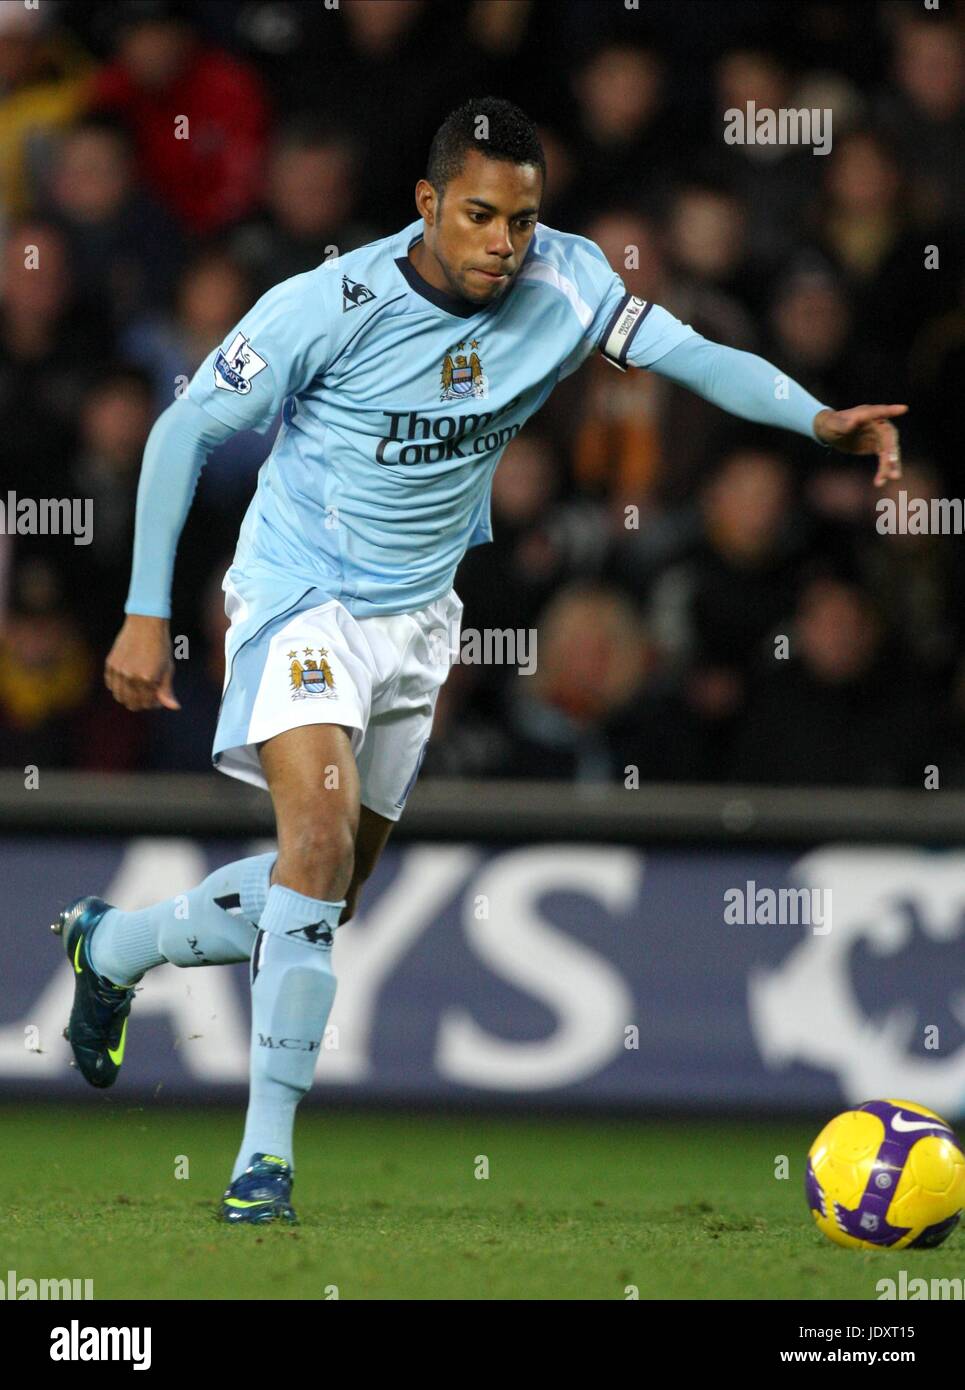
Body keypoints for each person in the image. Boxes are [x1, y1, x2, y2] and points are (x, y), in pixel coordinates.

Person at [53, 97, 906, 1225]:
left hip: (418, 622)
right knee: (311, 838)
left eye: (522, 217)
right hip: (298, 595)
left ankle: (113, 944)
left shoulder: (568, 281)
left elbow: (692, 353)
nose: (504, 241)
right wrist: (143, 610)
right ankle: (263, 1163)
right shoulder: (328, 305)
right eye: (479, 216)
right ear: (426, 204)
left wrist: (813, 421)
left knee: (326, 889)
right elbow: (182, 431)